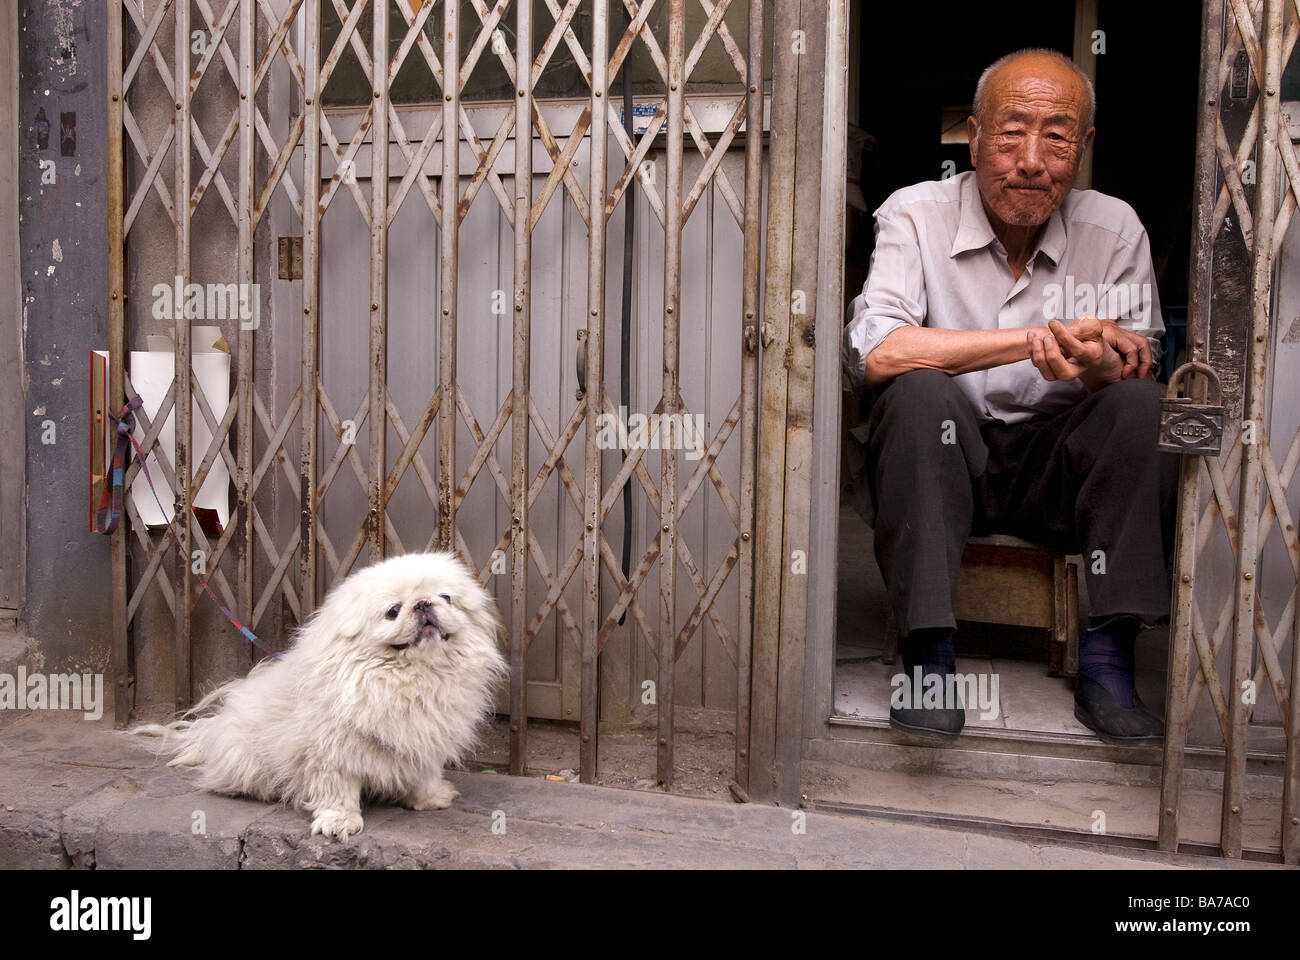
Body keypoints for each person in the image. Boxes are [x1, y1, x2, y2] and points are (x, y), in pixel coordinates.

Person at [842, 48, 1178, 745]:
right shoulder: (916, 213)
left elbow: (1135, 364)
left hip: (1052, 470)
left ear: (1083, 147)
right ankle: (928, 650)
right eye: (1011, 131)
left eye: (1056, 137)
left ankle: (1110, 653)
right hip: (944, 460)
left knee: (1143, 409)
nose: (1031, 159)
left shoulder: (1114, 230)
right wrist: (1032, 341)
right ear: (973, 135)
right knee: (916, 396)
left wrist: (1093, 365)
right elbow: (877, 351)